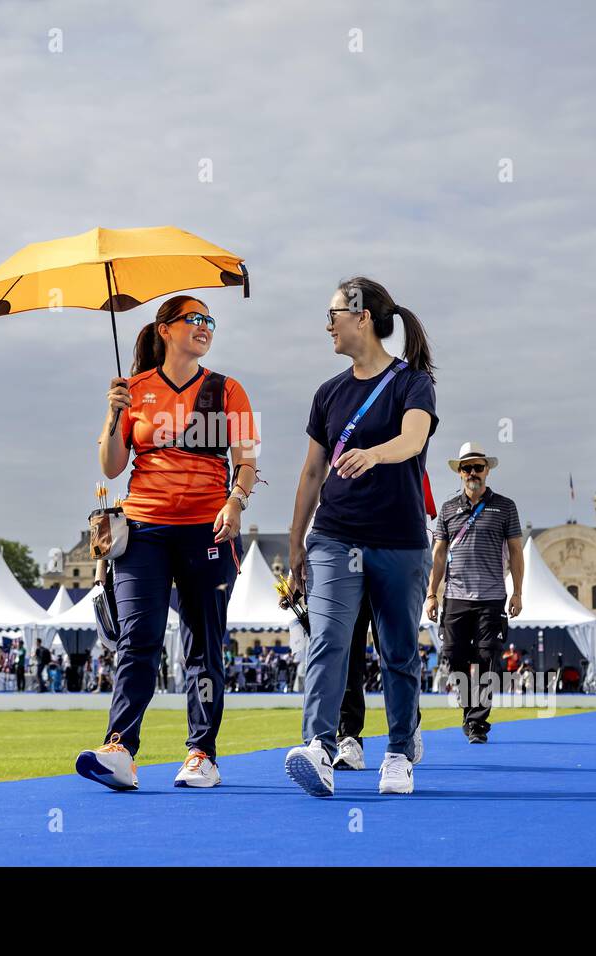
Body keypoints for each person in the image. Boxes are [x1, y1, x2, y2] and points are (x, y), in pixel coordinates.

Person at [76, 294, 258, 791]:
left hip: (208, 528)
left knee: (203, 646)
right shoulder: (132, 389)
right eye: (194, 320)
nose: (205, 327)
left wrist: (236, 501)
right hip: (144, 531)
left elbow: (246, 459)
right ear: (165, 329)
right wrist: (114, 414)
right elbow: (111, 466)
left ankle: (202, 754)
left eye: (209, 321)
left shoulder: (227, 389)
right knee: (139, 638)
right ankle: (119, 750)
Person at [283, 277, 438, 797]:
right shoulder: (327, 393)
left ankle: (398, 752)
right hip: (334, 536)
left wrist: (374, 454)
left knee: (398, 651)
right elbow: (310, 474)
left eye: (333, 314)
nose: (328, 324)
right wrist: (295, 540)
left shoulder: (411, 383)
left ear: (362, 316)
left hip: (399, 540)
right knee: (328, 640)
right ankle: (319, 748)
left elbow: (414, 437)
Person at [426, 441, 524, 744]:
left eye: (477, 467)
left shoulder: (505, 506)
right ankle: (469, 709)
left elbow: (516, 552)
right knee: (453, 656)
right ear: (459, 473)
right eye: (466, 468)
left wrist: (517, 592)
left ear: (487, 470)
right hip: (455, 596)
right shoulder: (447, 509)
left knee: (485, 658)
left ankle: (478, 724)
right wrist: (432, 593)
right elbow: (439, 553)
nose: (472, 473)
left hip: (492, 596)